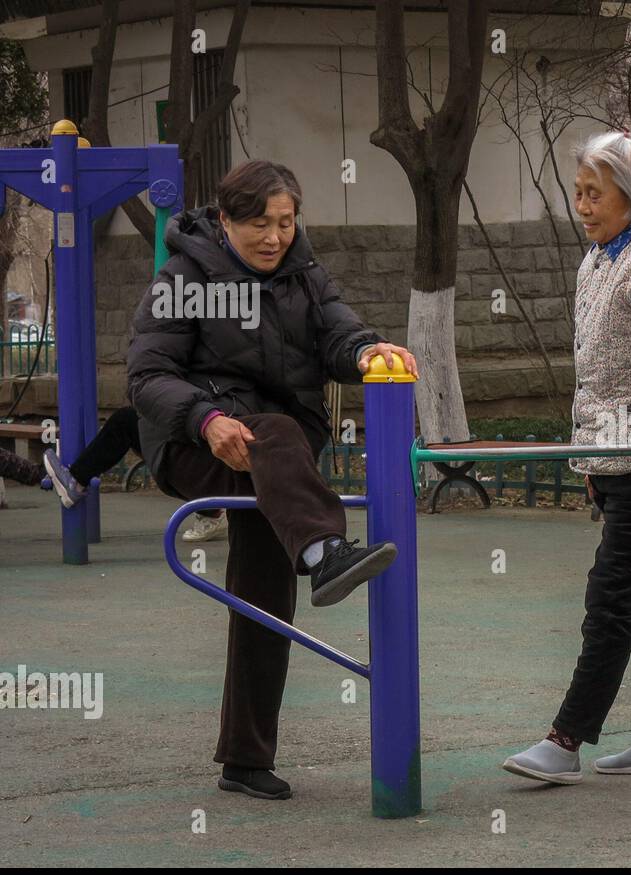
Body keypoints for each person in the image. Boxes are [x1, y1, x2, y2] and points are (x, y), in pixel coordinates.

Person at [127, 159, 418, 800]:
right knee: (277, 432)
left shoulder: (302, 274)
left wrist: (368, 350)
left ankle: (244, 759)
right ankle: (324, 551)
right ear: (225, 220)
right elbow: (147, 378)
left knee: (263, 594)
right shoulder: (183, 279)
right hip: (194, 444)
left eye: (286, 223)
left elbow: (337, 331)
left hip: (275, 464)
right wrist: (205, 420)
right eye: (259, 224)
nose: (274, 237)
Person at [502, 130, 631, 784]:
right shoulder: (598, 258)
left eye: (596, 193)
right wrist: (593, 463)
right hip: (617, 457)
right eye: (579, 192)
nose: (583, 205)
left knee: (613, 594)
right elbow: (599, 373)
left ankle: (566, 739)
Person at [41, 406, 227, 541]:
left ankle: (74, 480)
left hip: (205, 453)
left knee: (127, 422)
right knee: (133, 422)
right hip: (207, 453)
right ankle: (211, 510)